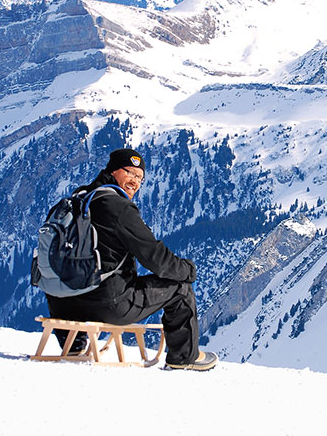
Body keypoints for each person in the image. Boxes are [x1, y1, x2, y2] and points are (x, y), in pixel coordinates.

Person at [45, 148, 218, 371]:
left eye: (140, 178)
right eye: (130, 173)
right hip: (108, 304)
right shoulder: (117, 207)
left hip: (62, 302)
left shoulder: (77, 200)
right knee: (180, 288)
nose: (135, 182)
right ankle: (185, 357)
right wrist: (188, 271)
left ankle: (75, 344)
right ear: (114, 171)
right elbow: (155, 257)